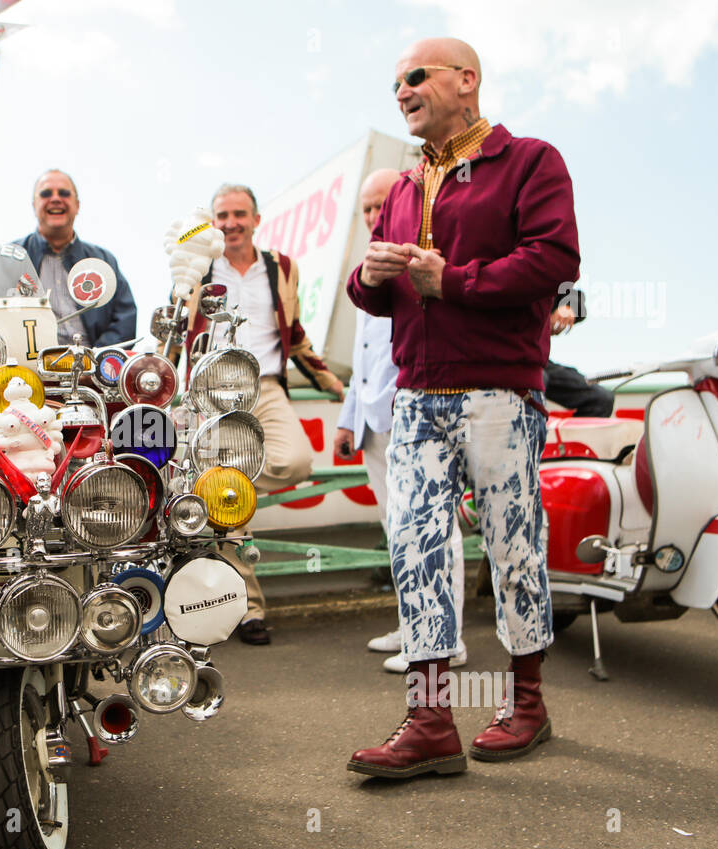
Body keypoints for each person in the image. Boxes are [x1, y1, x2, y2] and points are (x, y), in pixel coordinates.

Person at [344, 37, 580, 779]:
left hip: (500, 391)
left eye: (414, 77)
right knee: (416, 547)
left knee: (514, 543)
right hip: (417, 392)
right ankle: (430, 720)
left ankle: (529, 705)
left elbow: (554, 259)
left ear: (465, 81)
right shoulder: (408, 183)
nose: (402, 91)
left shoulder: (531, 160)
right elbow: (376, 294)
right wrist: (368, 274)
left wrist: (458, 283)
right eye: (395, 84)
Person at [175, 183, 345, 645]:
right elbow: (177, 329)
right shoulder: (199, 266)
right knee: (231, 507)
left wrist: (330, 381)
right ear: (213, 221)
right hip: (214, 392)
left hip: (266, 385)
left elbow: (294, 333)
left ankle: (220, 489)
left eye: (239, 214)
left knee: (295, 462)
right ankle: (248, 609)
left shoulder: (282, 267)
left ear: (256, 218)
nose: (230, 223)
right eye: (222, 215)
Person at [334, 168, 468, 672]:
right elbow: (362, 354)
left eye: (381, 203)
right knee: (398, 531)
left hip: (417, 413)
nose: (373, 215)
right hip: (374, 421)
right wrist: (350, 420)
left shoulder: (427, 259)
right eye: (366, 208)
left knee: (434, 528)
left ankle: (445, 638)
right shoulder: (369, 266)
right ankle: (414, 623)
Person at [14, 169, 137, 347]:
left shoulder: (104, 261)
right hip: (29, 370)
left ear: (77, 205)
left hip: (93, 368)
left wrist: (95, 361)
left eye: (64, 193)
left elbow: (124, 319)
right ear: (34, 205)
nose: (55, 198)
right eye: (46, 193)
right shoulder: (10, 259)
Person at [544, 289, 614, 417]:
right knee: (536, 383)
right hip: (508, 361)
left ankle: (573, 437)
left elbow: (576, 299)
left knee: (602, 399)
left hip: (540, 363)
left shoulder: (548, 278)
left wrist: (568, 306)